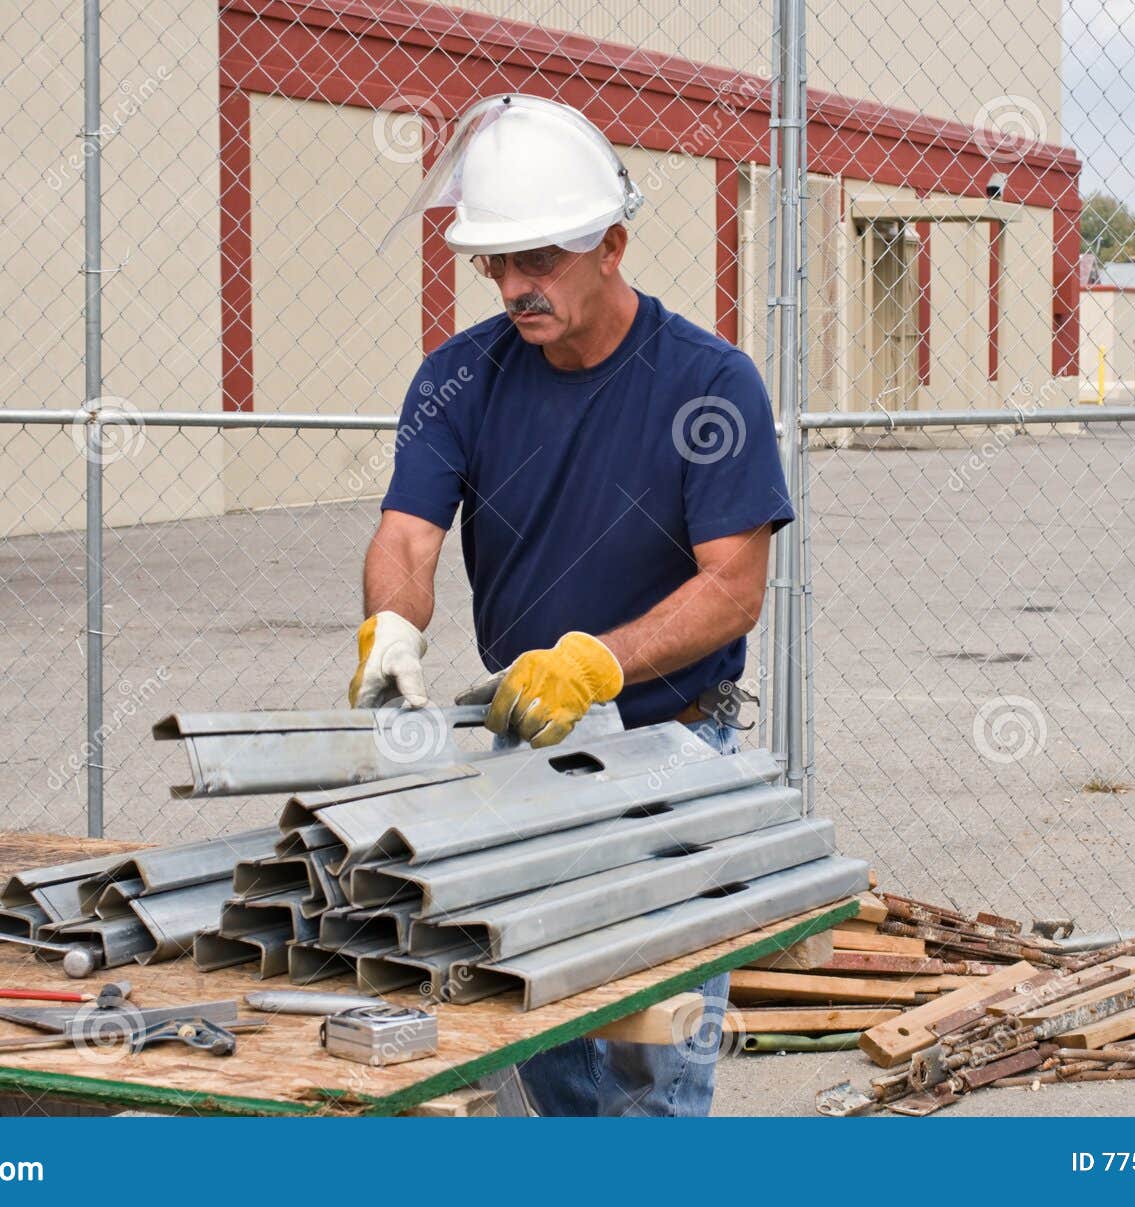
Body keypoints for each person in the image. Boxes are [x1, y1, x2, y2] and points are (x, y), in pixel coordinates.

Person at [348, 94, 794, 1116]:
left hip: (673, 756)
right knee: (542, 1040)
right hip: (527, 752)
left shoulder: (709, 385)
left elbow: (733, 588)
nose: (515, 287)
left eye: (539, 259)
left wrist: (596, 663)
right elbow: (408, 536)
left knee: (653, 1060)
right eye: (497, 265)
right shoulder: (458, 380)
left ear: (612, 245)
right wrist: (394, 629)